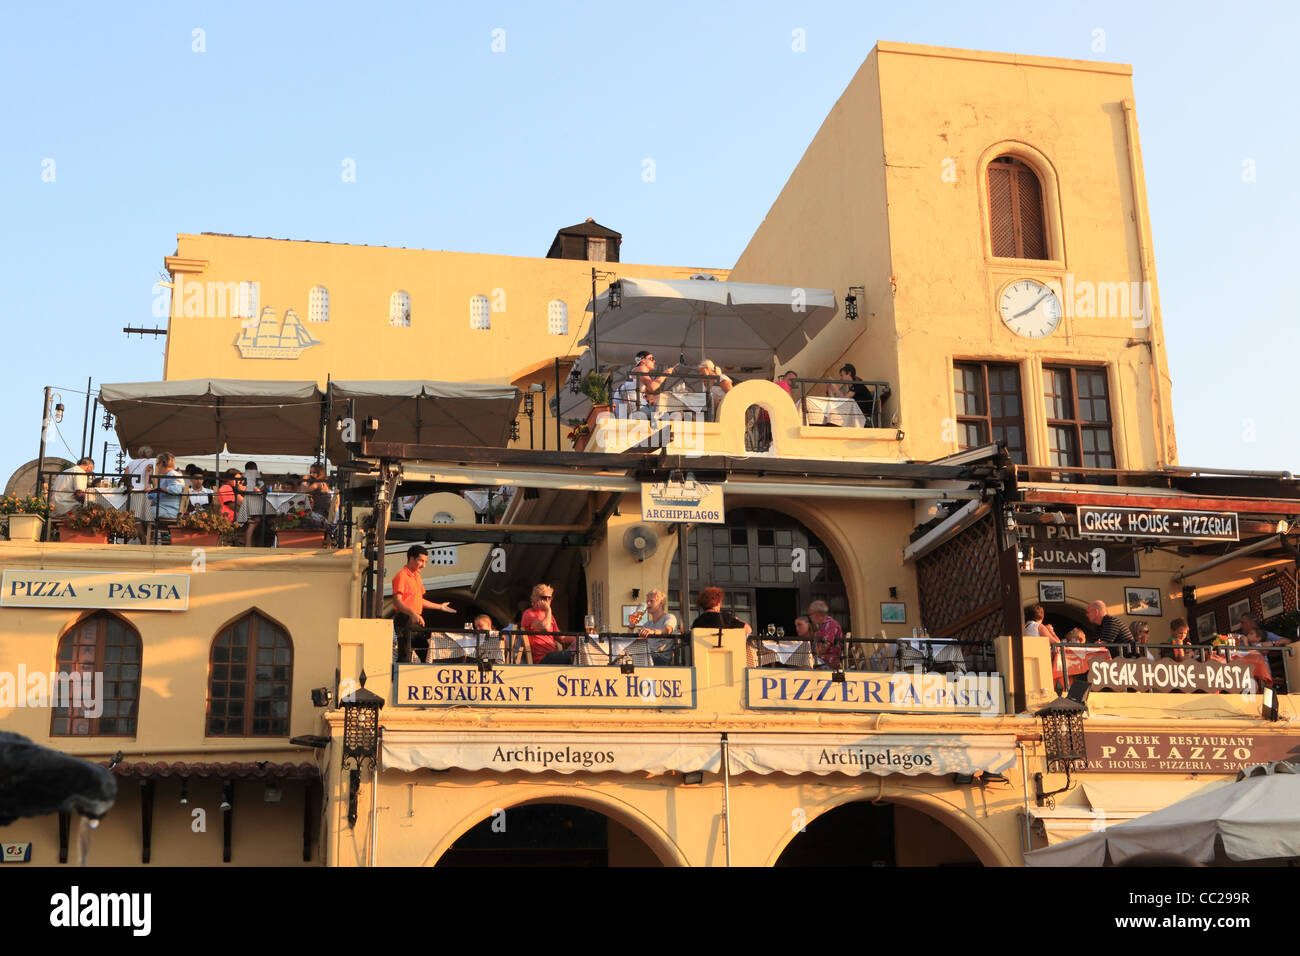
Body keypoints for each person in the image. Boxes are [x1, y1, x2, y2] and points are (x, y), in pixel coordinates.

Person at [391, 545, 455, 662]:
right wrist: (412, 614)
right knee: (405, 653)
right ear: (411, 559)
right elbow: (397, 600)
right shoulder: (401, 576)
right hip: (404, 618)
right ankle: (400, 678)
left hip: (413, 618)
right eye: (421, 561)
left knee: (425, 651)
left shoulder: (417, 576)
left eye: (425, 561)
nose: (424, 565)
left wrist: (440, 607)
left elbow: (419, 600)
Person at [521, 583, 574, 664]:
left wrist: (579, 639)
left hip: (553, 655)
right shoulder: (529, 614)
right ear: (534, 598)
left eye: (549, 598)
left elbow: (561, 638)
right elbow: (545, 627)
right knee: (574, 656)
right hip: (542, 658)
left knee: (580, 654)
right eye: (544, 598)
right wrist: (548, 610)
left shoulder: (549, 616)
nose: (547, 600)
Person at [635, 589, 679, 665]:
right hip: (648, 658)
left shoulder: (669, 617)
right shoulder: (647, 624)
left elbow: (668, 629)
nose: (648, 603)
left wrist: (652, 632)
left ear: (661, 603)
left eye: (651, 601)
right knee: (626, 659)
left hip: (661, 659)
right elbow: (633, 641)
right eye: (647, 601)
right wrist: (631, 625)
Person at [147, 453, 186, 526]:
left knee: (141, 512)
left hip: (169, 511)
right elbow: (158, 493)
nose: (157, 466)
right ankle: (146, 535)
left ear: (161, 463)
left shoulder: (172, 474)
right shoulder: (168, 476)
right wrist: (151, 492)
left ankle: (145, 536)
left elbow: (176, 489)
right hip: (165, 509)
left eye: (157, 464)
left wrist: (159, 489)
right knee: (141, 511)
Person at [809, 599, 844, 669]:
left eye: (811, 614)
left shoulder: (830, 624)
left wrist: (809, 657)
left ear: (817, 614)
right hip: (820, 661)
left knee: (803, 664)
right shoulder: (821, 626)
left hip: (828, 663)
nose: (810, 617)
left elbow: (823, 648)